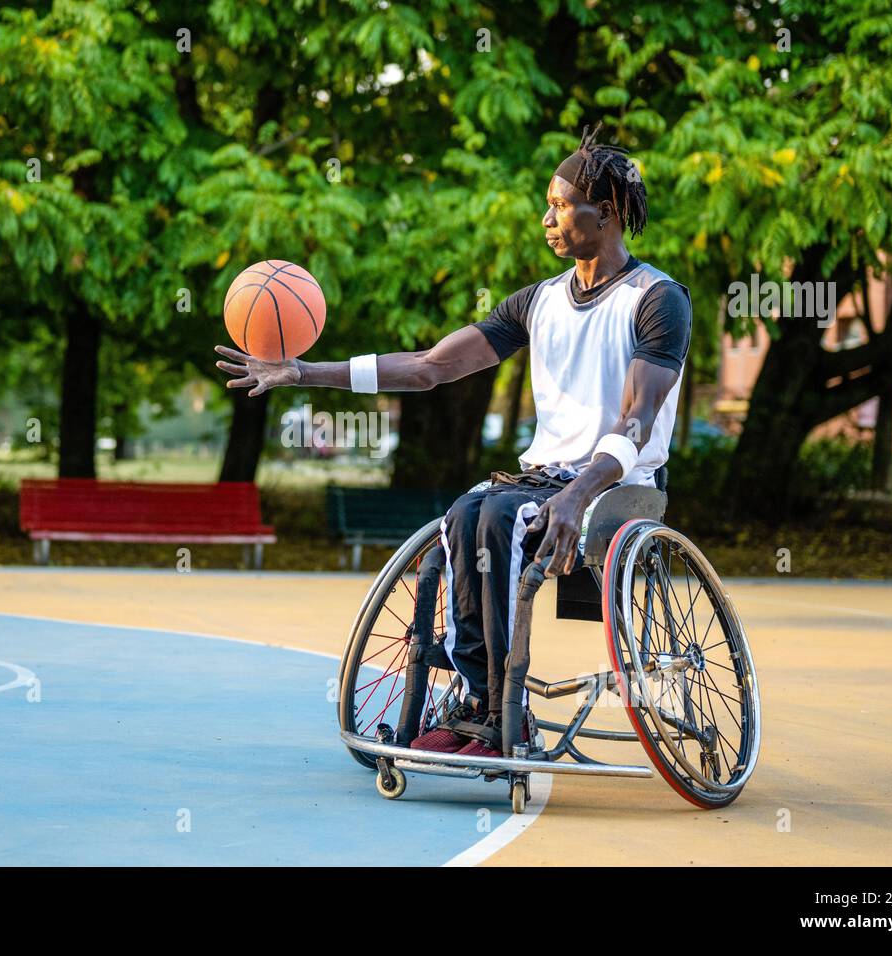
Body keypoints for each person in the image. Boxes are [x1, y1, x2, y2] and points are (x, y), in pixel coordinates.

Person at [214, 124, 691, 757]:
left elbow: (637, 418)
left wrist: (577, 494)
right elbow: (431, 366)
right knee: (463, 514)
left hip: (617, 486)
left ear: (604, 213)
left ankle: (504, 715)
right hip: (546, 477)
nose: (545, 218)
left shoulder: (656, 300)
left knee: (495, 516)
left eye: (557, 205)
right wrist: (304, 372)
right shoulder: (538, 301)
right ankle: (476, 698)